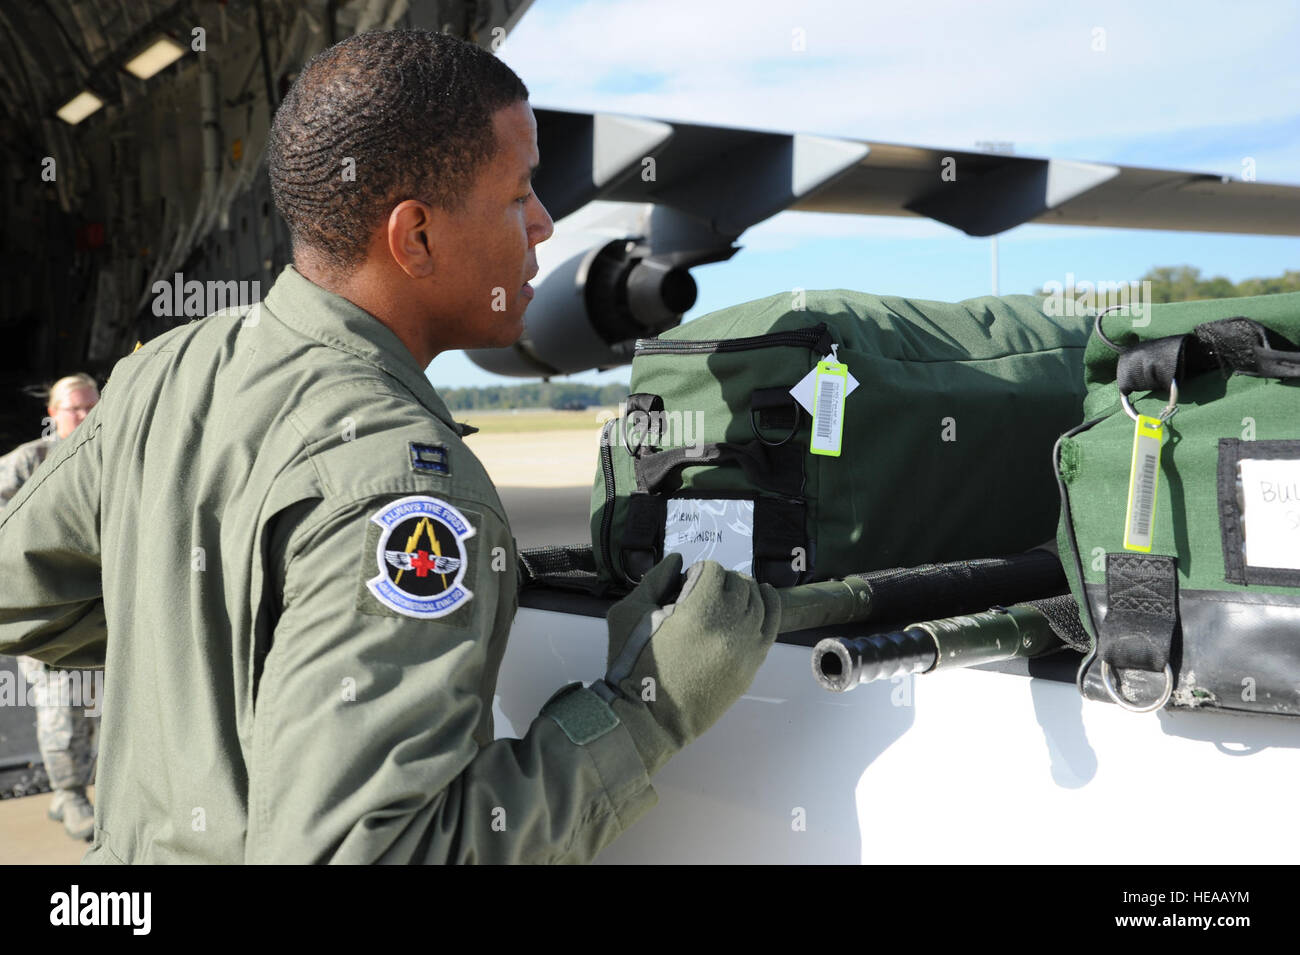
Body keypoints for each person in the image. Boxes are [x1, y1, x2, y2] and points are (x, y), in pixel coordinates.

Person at [0, 30, 779, 863]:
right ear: (416, 238)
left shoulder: (170, 371)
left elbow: (20, 588)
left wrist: (209, 646)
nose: (546, 226)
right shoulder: (404, 486)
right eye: (520, 196)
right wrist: (648, 708)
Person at [0, 373, 101, 840]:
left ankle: (79, 793)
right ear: (52, 414)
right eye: (72, 409)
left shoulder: (109, 454)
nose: (82, 416)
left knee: (104, 712)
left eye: (89, 406)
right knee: (61, 709)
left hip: (103, 610)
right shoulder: (28, 461)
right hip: (49, 613)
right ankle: (72, 793)